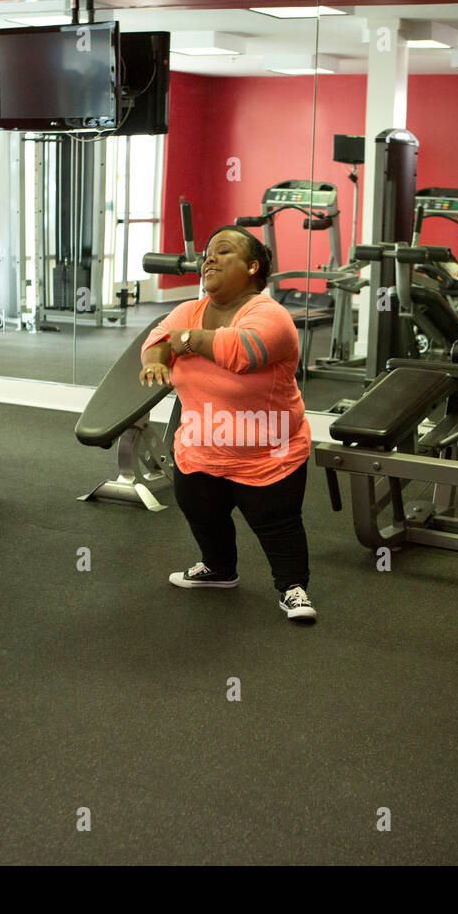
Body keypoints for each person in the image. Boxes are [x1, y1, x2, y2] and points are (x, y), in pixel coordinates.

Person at [140, 225, 315, 622]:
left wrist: (181, 341)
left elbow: (240, 352)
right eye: (207, 254)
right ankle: (218, 569)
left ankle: (293, 587)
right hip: (201, 447)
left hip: (269, 452)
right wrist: (157, 358)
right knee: (201, 513)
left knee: (277, 524)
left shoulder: (271, 315)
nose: (209, 259)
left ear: (253, 267)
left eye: (223, 252)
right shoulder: (189, 310)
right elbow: (156, 341)